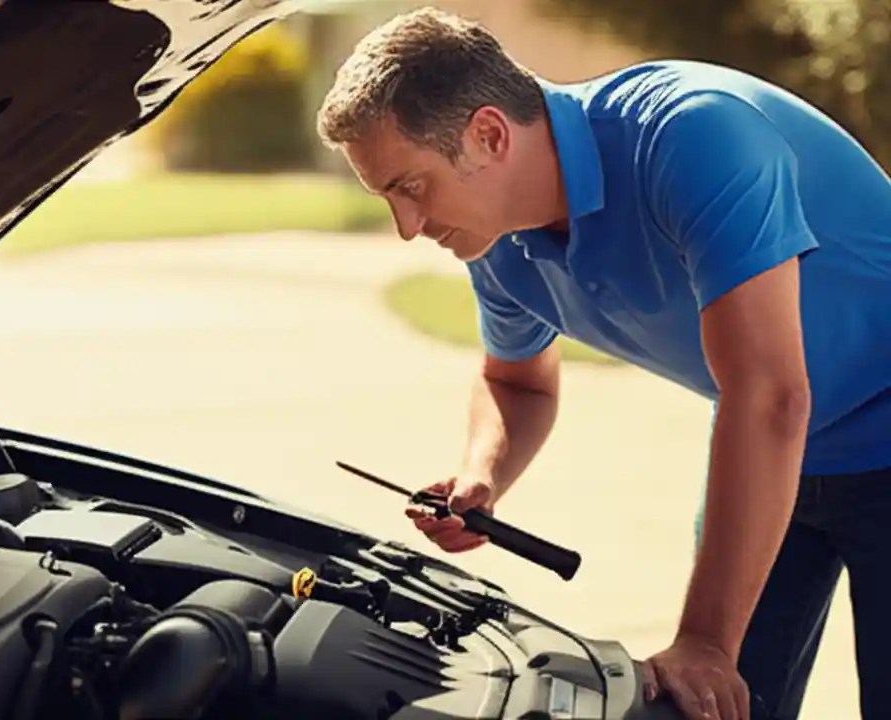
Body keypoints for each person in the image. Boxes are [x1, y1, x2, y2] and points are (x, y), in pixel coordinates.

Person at [315, 7, 891, 720]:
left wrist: (705, 639)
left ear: (489, 134)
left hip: (833, 421)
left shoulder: (693, 135)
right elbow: (516, 381)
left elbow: (770, 394)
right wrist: (482, 476)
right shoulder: (495, 238)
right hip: (780, 454)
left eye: (410, 186)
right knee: (704, 707)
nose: (406, 227)